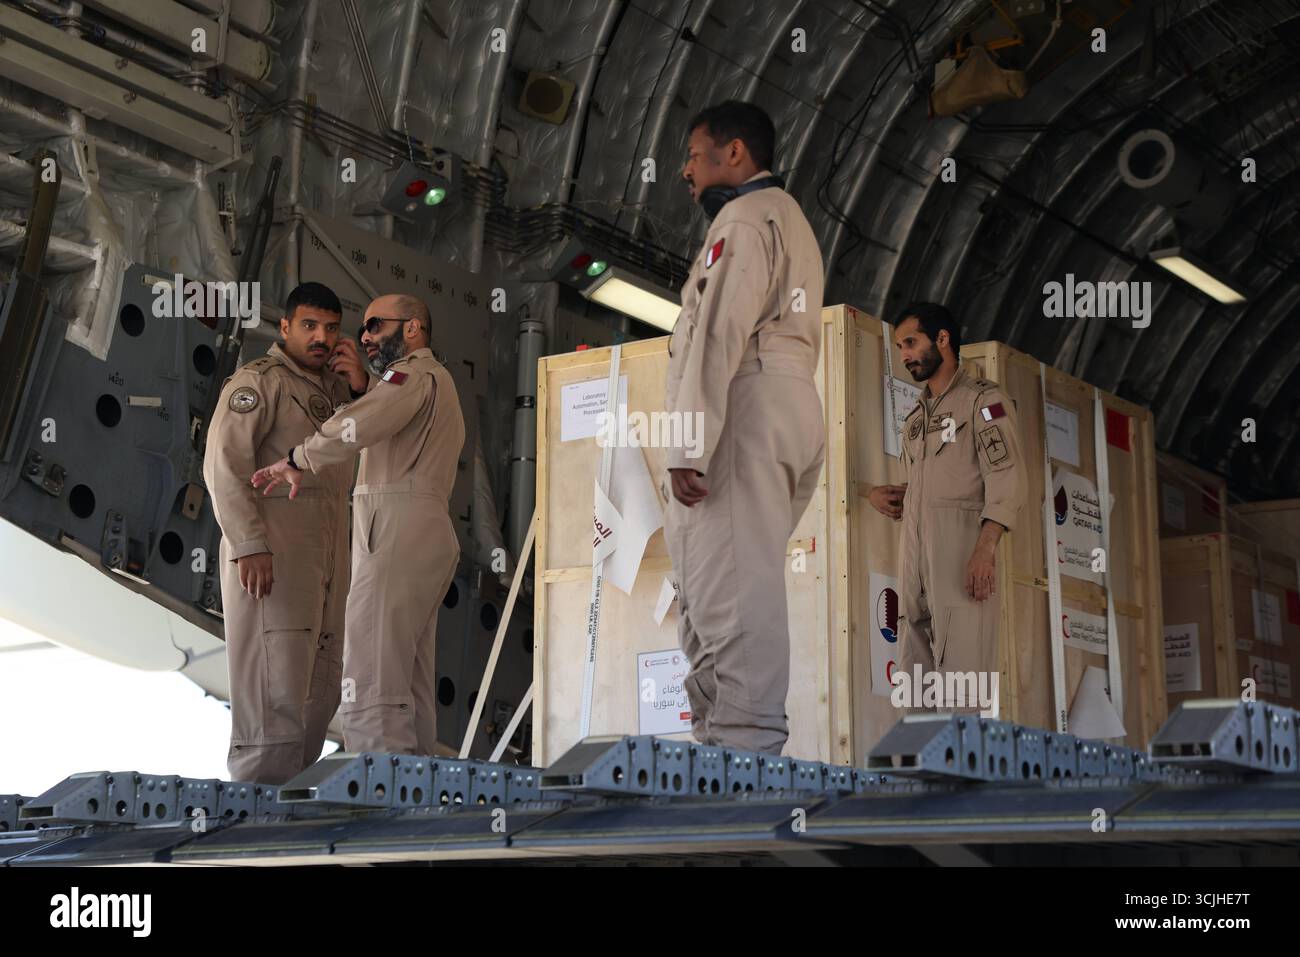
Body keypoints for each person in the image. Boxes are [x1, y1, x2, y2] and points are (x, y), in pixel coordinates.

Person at [662, 100, 825, 754]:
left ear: (736, 154)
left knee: (727, 590)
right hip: (788, 399)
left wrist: (688, 444)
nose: (685, 172)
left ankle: (744, 754)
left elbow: (718, 329)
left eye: (695, 156)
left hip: (746, 402)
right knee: (718, 582)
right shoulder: (791, 220)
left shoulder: (744, 217)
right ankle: (724, 744)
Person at [251, 294, 464, 755]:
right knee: (407, 676)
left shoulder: (409, 375)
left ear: (412, 328)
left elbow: (362, 424)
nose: (364, 335)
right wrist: (368, 388)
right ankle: (415, 782)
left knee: (368, 666)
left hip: (395, 524)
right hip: (425, 524)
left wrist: (298, 458)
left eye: (374, 325)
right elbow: (387, 419)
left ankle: (377, 782)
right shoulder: (433, 381)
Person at [203, 282, 364, 783]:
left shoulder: (338, 390)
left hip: (327, 557)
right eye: (310, 326)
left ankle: (290, 798)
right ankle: (254, 812)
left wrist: (361, 388)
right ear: (286, 327)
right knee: (274, 685)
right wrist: (249, 545)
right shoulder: (259, 383)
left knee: (323, 683)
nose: (321, 337)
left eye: (331, 329)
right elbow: (223, 467)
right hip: (274, 556)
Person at [892, 302, 1026, 708]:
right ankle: (917, 766)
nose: (904, 355)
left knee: (963, 676)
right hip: (914, 553)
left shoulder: (984, 401)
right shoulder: (915, 419)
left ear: (943, 340)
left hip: (960, 551)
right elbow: (927, 487)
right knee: (913, 672)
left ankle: (965, 764)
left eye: (911, 343)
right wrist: (891, 494)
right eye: (899, 347)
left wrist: (985, 549)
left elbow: (1007, 477)